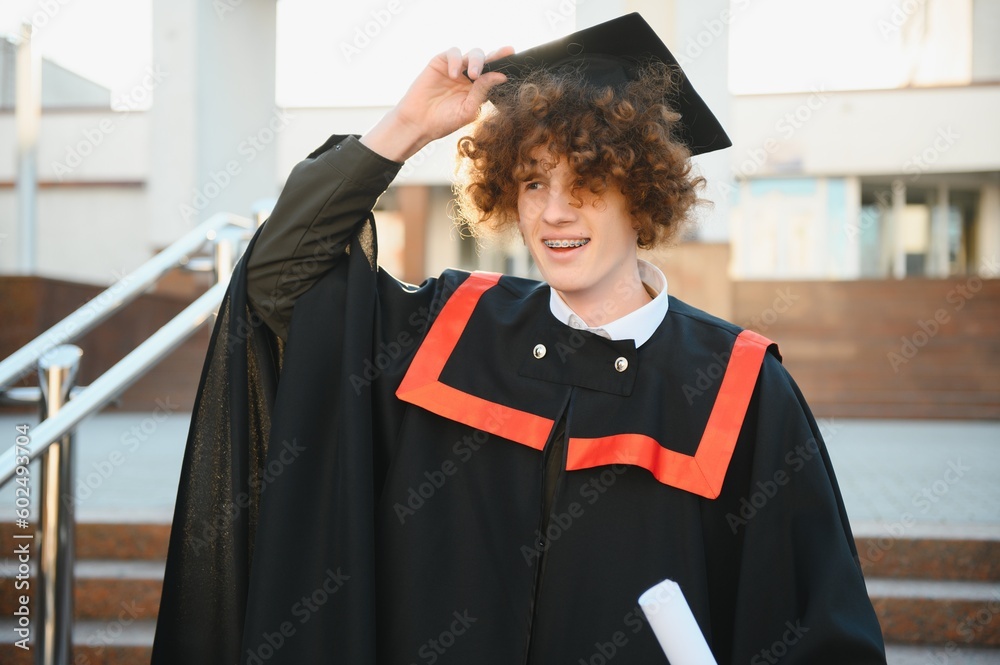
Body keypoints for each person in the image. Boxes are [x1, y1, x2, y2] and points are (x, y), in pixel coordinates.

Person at [151, 13, 887, 665]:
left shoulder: (737, 386)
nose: (554, 213)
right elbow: (280, 276)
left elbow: (818, 627)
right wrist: (404, 128)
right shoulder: (449, 331)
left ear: (642, 190)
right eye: (534, 182)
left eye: (587, 180)